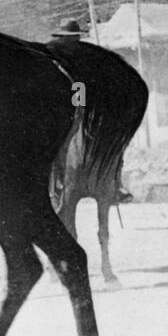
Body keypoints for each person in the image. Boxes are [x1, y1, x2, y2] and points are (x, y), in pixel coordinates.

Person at [47, 20, 133, 205]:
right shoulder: (55, 60)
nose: (73, 41)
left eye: (75, 37)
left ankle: (115, 184)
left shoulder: (90, 57)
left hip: (91, 110)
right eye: (69, 38)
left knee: (114, 143)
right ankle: (54, 186)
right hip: (64, 111)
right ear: (61, 38)